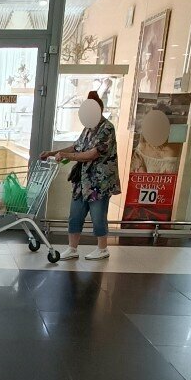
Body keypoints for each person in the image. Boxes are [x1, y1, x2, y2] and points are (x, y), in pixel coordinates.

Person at [40, 91, 120, 261]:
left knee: (98, 216)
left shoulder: (107, 128)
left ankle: (103, 248)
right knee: (75, 214)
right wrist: (52, 153)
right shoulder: (88, 128)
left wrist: (67, 156)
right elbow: (76, 147)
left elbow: (92, 154)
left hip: (99, 181)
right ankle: (72, 248)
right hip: (82, 180)